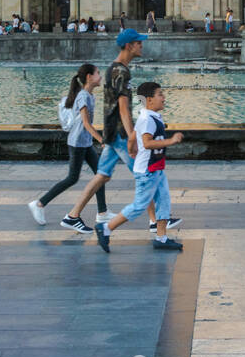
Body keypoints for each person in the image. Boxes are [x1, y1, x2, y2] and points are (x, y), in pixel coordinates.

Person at [61, 30, 178, 233]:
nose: (142, 46)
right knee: (147, 173)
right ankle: (157, 221)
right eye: (138, 43)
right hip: (121, 135)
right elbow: (123, 107)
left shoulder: (117, 69)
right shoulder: (121, 71)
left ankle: (73, 215)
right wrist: (134, 137)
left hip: (113, 134)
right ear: (129, 46)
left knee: (103, 176)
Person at [94, 82, 185, 253]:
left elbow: (133, 137)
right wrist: (171, 141)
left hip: (156, 168)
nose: (164, 97)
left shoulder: (149, 115)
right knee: (139, 206)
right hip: (147, 172)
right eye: (160, 94)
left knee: (164, 200)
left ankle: (161, 238)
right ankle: (106, 228)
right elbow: (147, 142)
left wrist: (131, 149)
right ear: (149, 100)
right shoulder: (147, 119)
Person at [30, 64, 104, 225]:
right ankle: (39, 203)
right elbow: (85, 123)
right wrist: (100, 139)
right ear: (89, 77)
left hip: (84, 142)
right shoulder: (83, 96)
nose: (101, 76)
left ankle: (103, 212)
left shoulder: (90, 96)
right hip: (77, 142)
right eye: (98, 73)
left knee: (100, 174)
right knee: (73, 178)